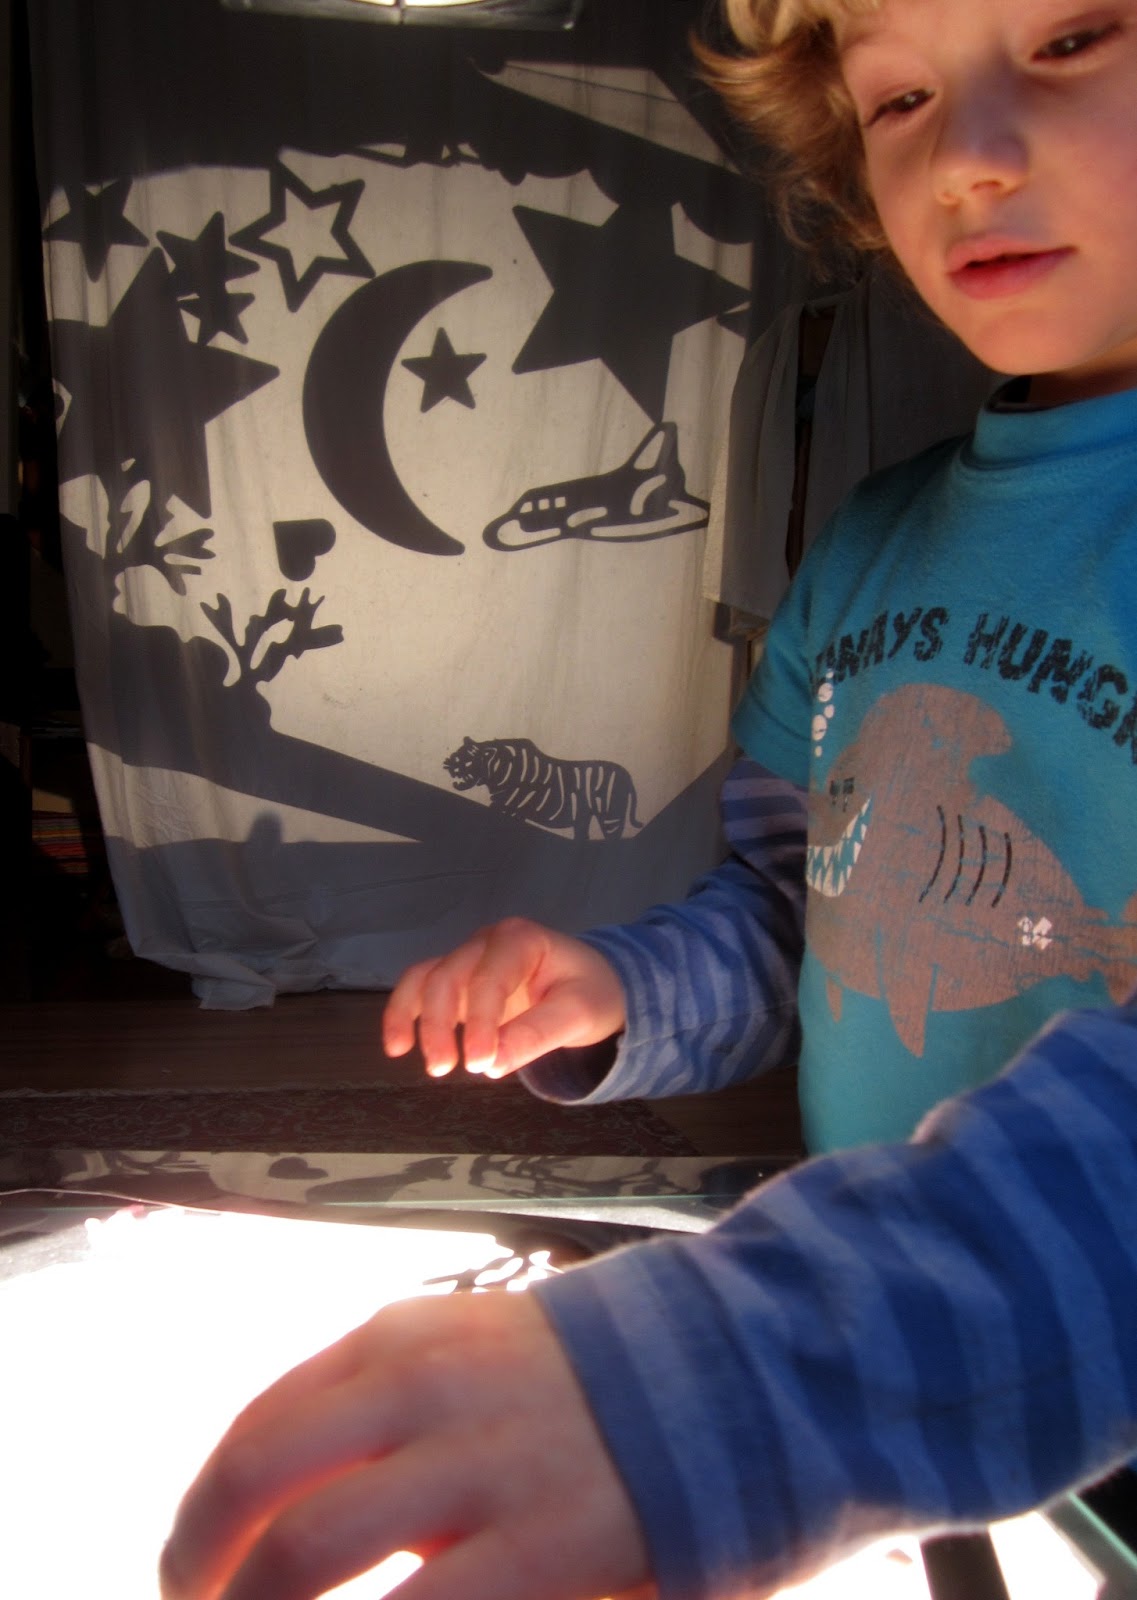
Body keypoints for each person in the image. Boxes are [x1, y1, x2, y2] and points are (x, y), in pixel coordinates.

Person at [159, 2, 1137, 1597]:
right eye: (896, 96)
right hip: (910, 1411)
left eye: (1074, 35)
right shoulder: (872, 546)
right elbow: (798, 919)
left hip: (918, 1369)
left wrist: (750, 1378)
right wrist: (616, 992)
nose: (965, 159)